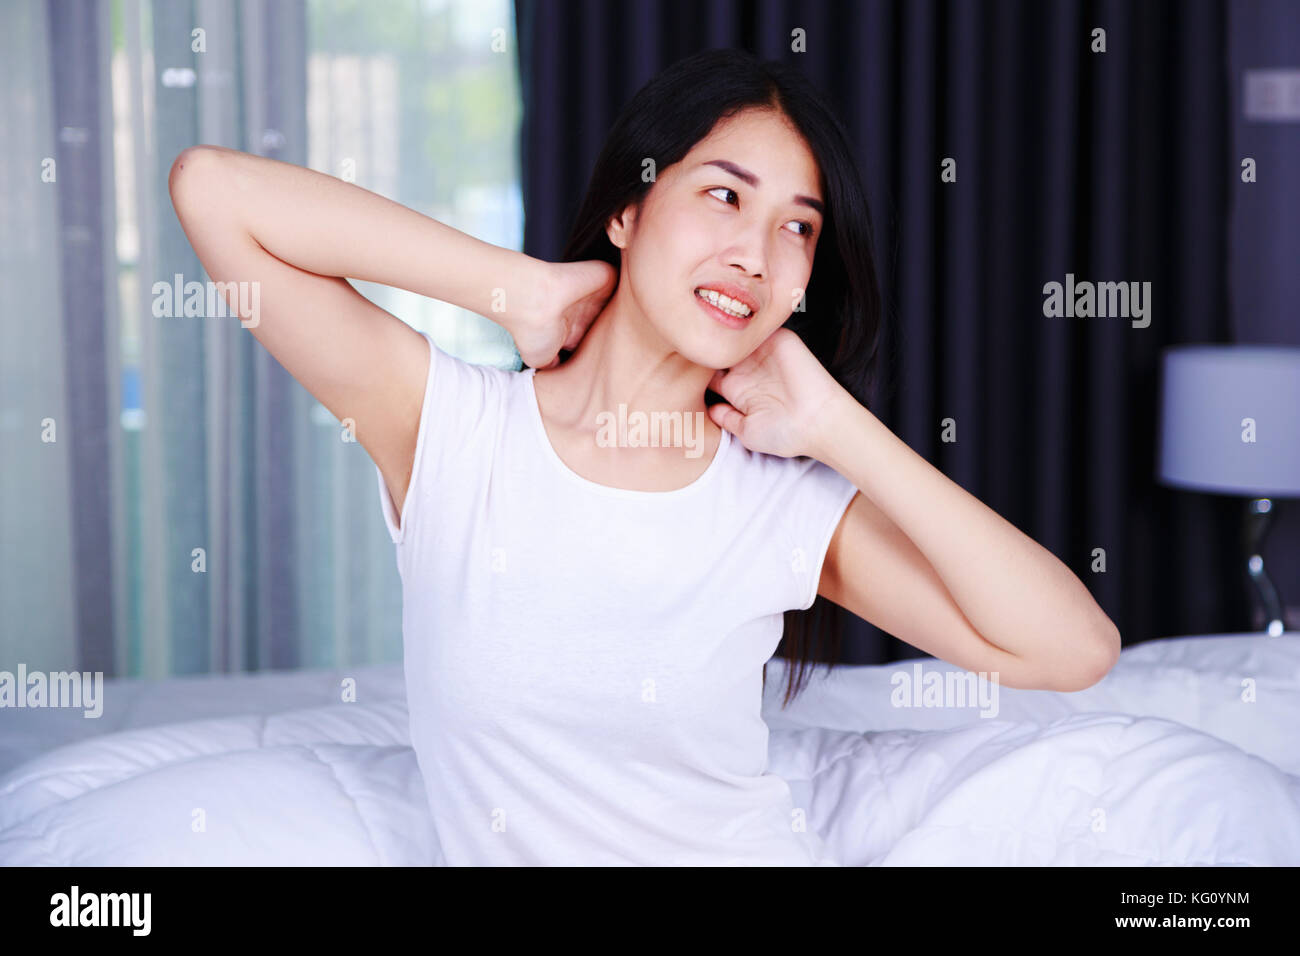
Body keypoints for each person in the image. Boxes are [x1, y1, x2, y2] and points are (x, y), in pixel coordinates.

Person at [169, 49, 1119, 866]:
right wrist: (515, 287)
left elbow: (1074, 649)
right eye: (723, 195)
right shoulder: (452, 433)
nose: (756, 252)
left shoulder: (780, 499)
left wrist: (837, 425)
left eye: (798, 226)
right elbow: (214, 191)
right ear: (629, 208)